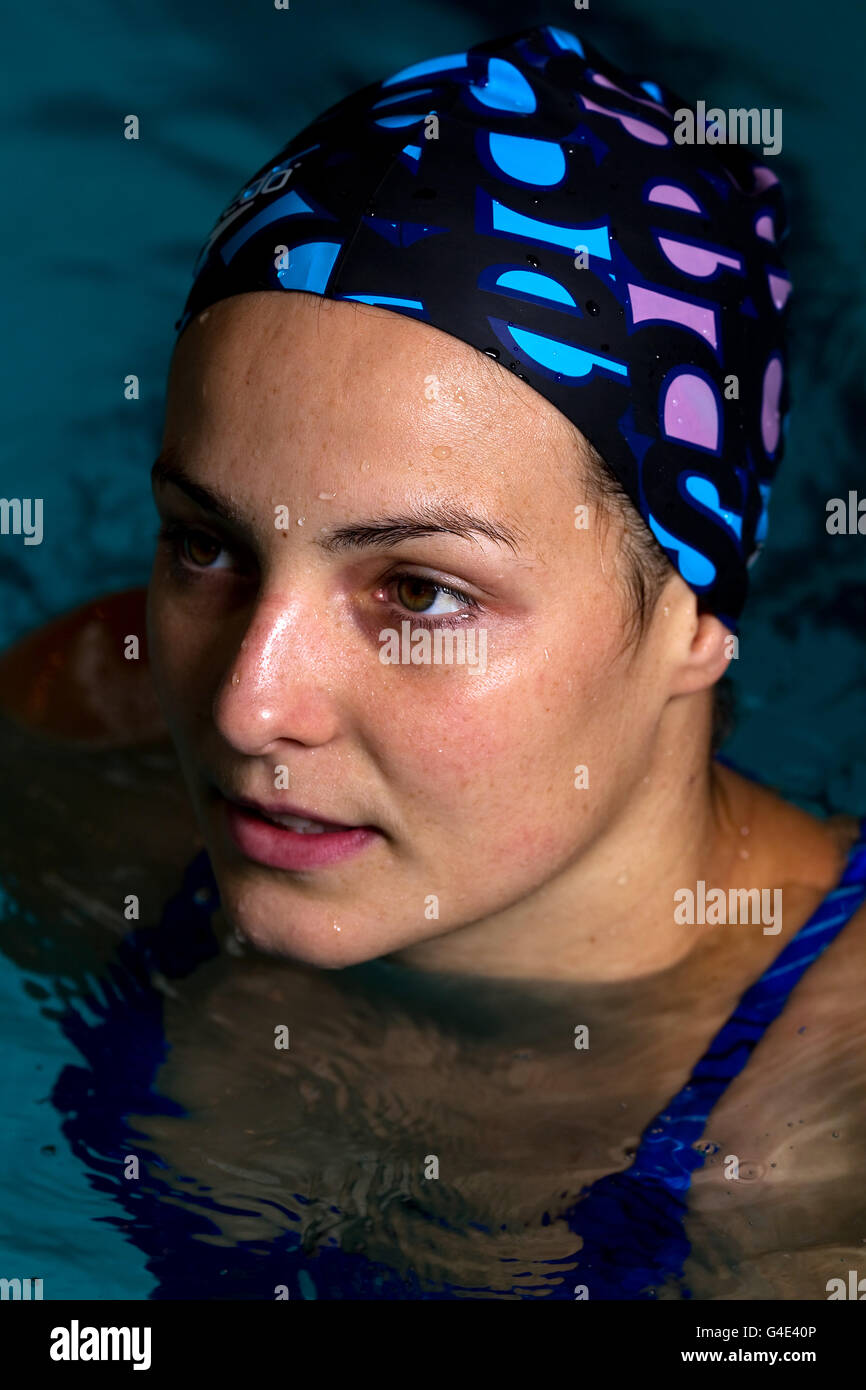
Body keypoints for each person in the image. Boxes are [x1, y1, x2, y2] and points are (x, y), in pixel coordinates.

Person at [2, 23, 864, 1300]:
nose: (247, 703)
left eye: (417, 589)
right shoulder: (83, 748)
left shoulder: (816, 1166)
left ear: (695, 625)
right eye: (206, 542)